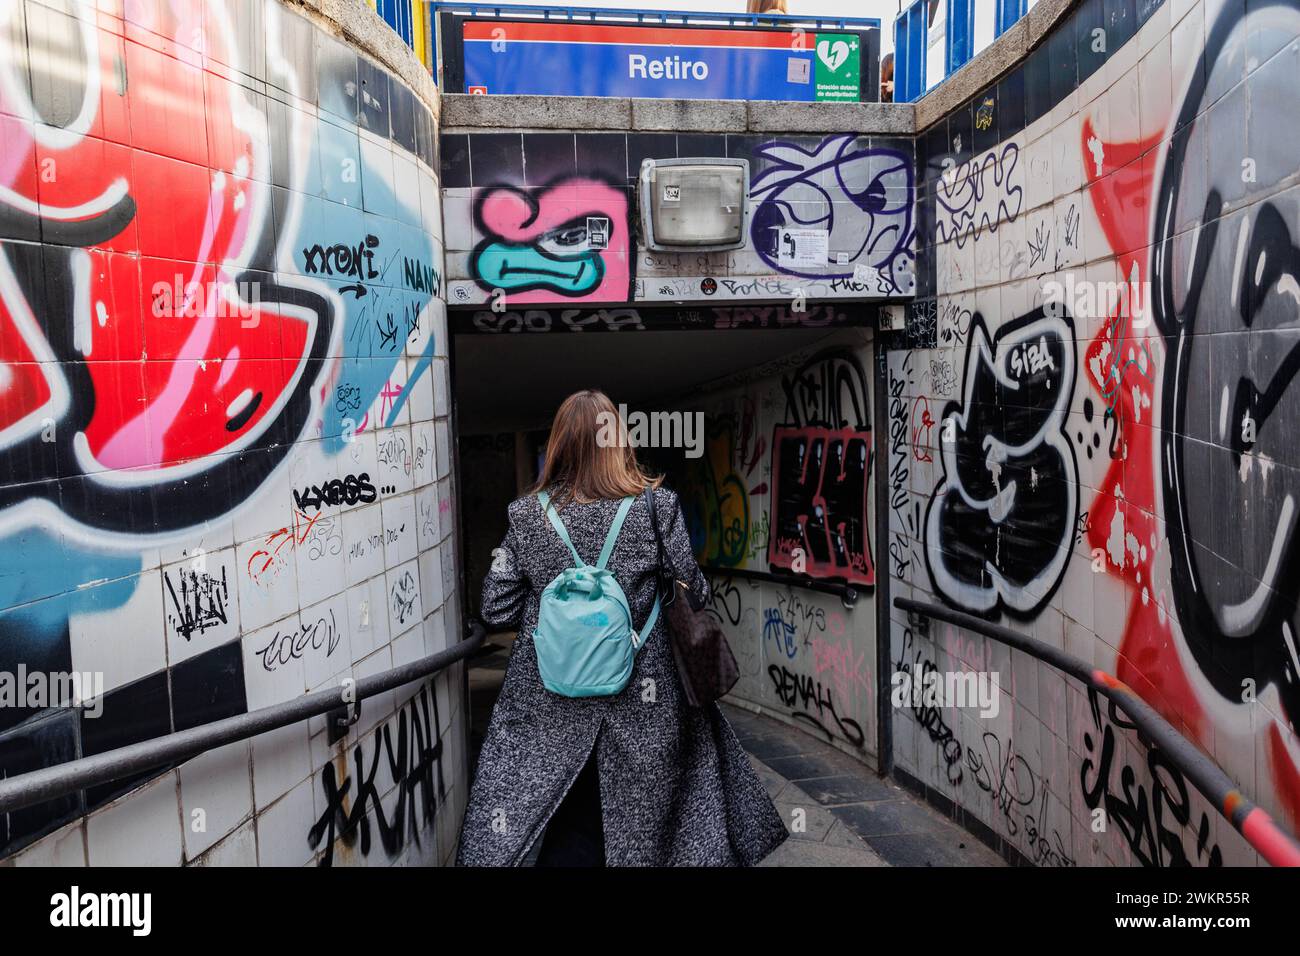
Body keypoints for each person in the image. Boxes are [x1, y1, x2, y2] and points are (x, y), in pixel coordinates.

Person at [456, 389, 789, 866]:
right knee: (644, 831)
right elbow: (694, 593)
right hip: (643, 703)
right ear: (617, 442)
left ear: (558, 445)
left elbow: (497, 606)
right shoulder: (656, 508)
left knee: (564, 822)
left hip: (549, 705)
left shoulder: (526, 516)